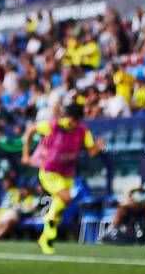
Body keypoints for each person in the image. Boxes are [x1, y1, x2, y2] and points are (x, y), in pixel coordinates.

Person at [22, 98, 104, 254]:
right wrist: (26, 154)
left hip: (67, 174)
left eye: (76, 120)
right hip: (50, 171)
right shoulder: (54, 126)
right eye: (71, 119)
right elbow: (31, 130)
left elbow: (91, 151)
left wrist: (98, 147)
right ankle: (49, 224)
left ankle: (45, 237)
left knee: (62, 205)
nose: (73, 123)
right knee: (66, 198)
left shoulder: (83, 131)